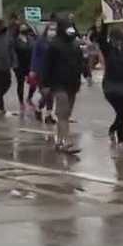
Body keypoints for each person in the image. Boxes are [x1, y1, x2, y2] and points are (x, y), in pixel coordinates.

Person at [45, 18, 85, 154]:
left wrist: (85, 75)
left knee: (66, 114)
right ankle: (67, 142)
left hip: (72, 82)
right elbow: (47, 66)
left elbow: (81, 62)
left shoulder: (75, 45)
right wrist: (45, 84)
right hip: (58, 83)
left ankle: (59, 140)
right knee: (63, 112)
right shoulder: (54, 45)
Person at [97, 22, 123, 145]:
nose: (120, 42)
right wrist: (104, 24)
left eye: (122, 39)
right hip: (112, 86)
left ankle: (120, 139)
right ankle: (115, 132)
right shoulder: (109, 51)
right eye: (118, 39)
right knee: (121, 112)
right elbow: (101, 40)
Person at [13, 22, 35, 115]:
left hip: (30, 65)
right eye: (22, 28)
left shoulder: (31, 39)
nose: (24, 29)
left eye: (25, 28)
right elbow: (13, 52)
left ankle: (29, 98)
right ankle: (21, 102)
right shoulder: (15, 40)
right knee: (20, 83)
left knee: (33, 83)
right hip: (19, 65)